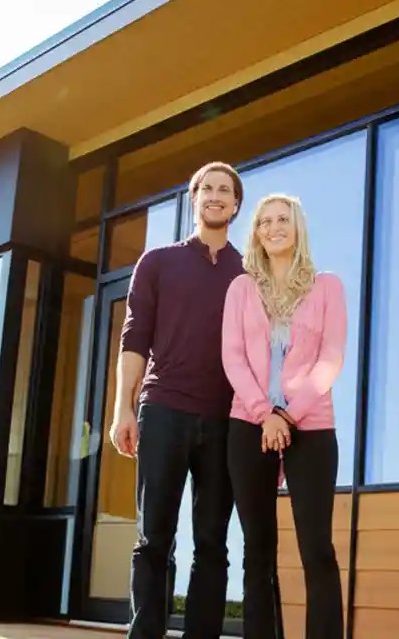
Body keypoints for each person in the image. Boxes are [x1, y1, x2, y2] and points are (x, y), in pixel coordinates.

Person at [109, 161, 246, 639]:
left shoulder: (248, 274)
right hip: (163, 409)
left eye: (225, 190)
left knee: (212, 544)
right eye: (207, 188)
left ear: (235, 205)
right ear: (195, 199)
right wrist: (123, 408)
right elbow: (134, 339)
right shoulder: (157, 262)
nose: (215, 196)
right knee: (154, 539)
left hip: (225, 420)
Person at [221, 193, 346, 639]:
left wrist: (288, 416)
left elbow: (330, 359)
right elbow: (233, 357)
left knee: (317, 548)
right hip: (248, 424)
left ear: (298, 228)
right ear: (256, 233)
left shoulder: (327, 286)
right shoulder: (240, 289)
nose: (274, 227)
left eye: (283, 219)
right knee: (257, 550)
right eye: (265, 221)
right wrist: (264, 414)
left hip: (311, 425)